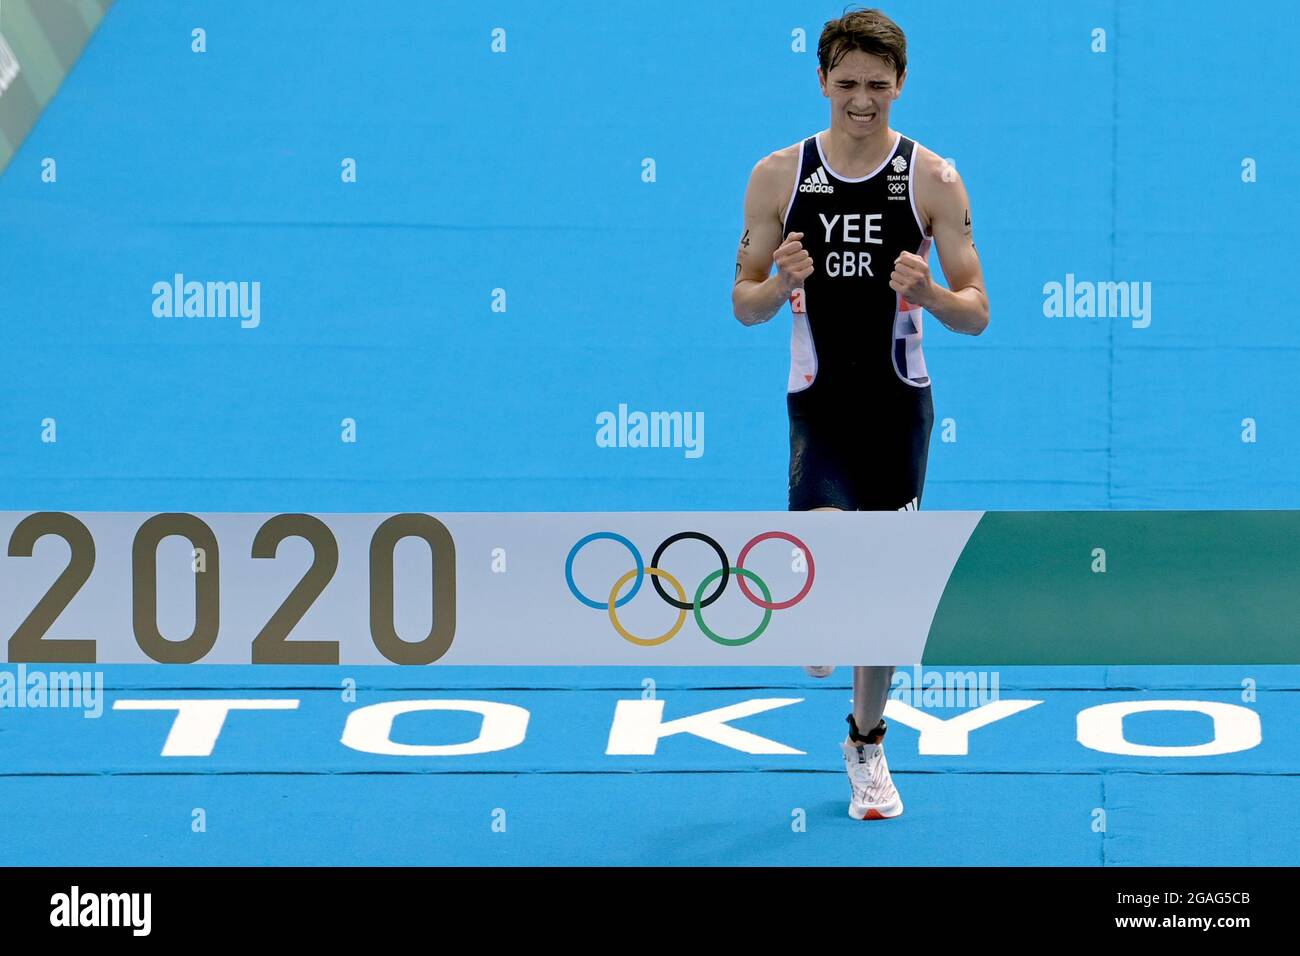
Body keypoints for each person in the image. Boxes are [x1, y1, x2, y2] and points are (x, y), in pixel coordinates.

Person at [731, 7, 989, 820]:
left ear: (901, 83)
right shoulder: (778, 176)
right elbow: (743, 304)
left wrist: (931, 294)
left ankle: (867, 748)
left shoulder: (933, 180)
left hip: (897, 411)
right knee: (819, 582)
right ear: (821, 81)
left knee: (882, 590)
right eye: (847, 84)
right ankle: (819, 614)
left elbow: (978, 310)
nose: (863, 101)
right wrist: (779, 283)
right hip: (819, 406)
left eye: (879, 85)